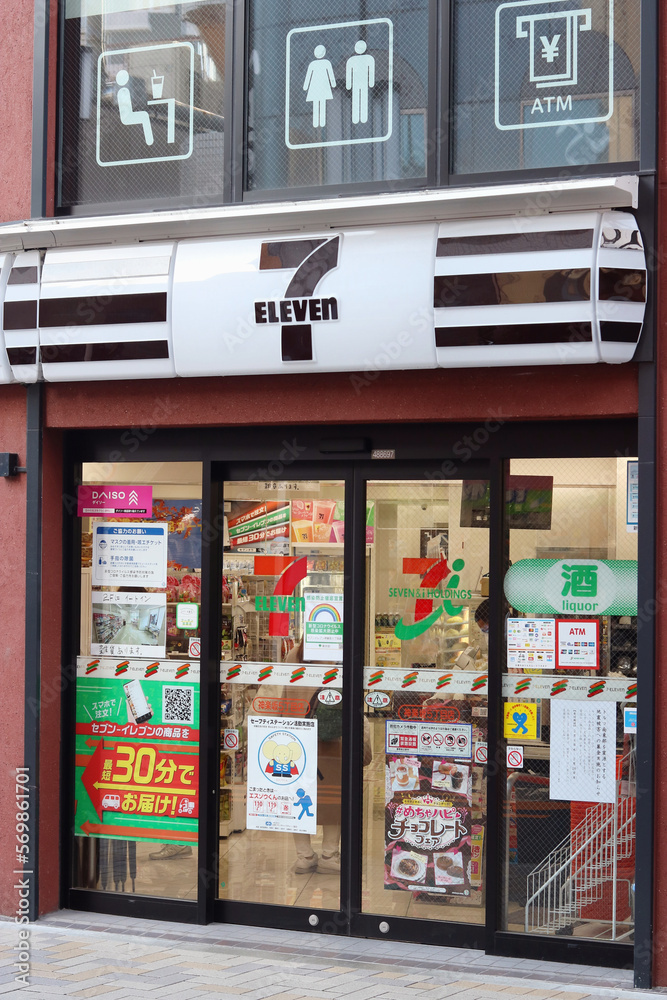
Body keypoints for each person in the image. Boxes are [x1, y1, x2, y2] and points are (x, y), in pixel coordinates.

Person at [303, 45, 336, 129]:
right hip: (320, 86)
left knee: (319, 104)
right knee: (320, 104)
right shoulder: (325, 63)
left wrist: (305, 86)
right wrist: (333, 84)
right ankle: (320, 122)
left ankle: (319, 122)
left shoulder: (315, 64)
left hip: (317, 87)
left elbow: (308, 76)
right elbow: (330, 75)